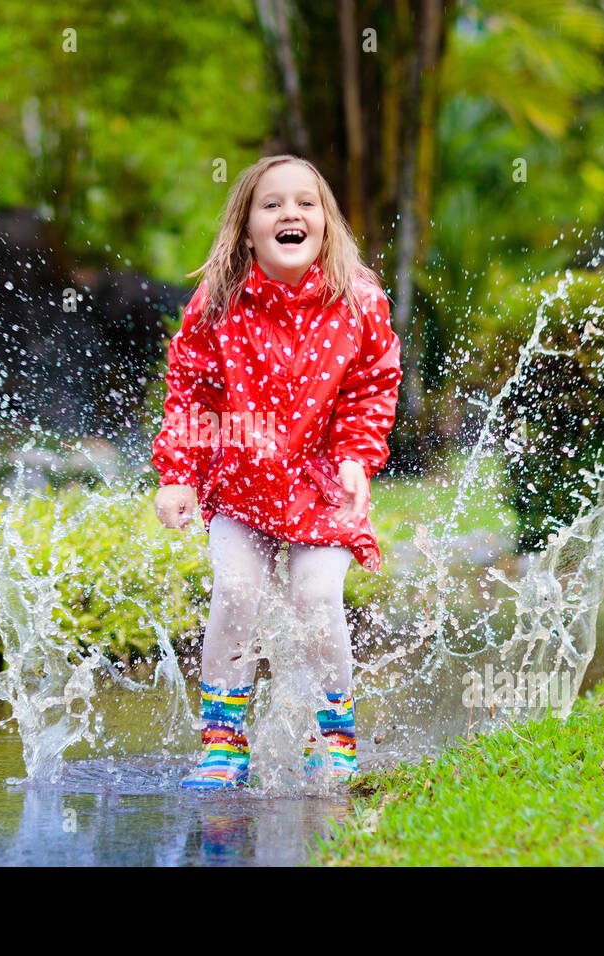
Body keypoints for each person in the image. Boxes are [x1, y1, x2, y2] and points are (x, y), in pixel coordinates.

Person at [150, 154, 402, 789]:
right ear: (246, 229)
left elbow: (373, 387)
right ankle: (223, 738)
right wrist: (178, 472)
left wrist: (354, 456)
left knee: (316, 597)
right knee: (236, 593)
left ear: (327, 224)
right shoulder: (218, 304)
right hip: (241, 483)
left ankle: (335, 734)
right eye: (272, 204)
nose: (290, 212)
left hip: (322, 485)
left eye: (306, 203)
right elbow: (191, 393)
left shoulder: (359, 303)